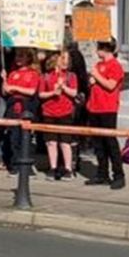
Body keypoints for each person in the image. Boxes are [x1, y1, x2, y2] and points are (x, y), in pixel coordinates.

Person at [86, 38, 127, 190]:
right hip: (94, 107)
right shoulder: (98, 65)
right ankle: (102, 173)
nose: (96, 51)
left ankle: (118, 174)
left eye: (98, 48)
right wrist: (92, 80)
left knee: (110, 143)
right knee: (98, 144)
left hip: (107, 108)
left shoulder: (115, 65)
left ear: (105, 48)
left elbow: (111, 85)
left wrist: (96, 76)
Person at [40, 50, 79, 181]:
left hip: (65, 112)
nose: (66, 61)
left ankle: (68, 168)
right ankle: (53, 167)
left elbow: (74, 93)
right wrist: (52, 93)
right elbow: (40, 94)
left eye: (67, 59)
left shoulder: (71, 76)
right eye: (63, 58)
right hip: (49, 112)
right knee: (51, 142)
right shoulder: (46, 76)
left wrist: (63, 87)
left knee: (65, 142)